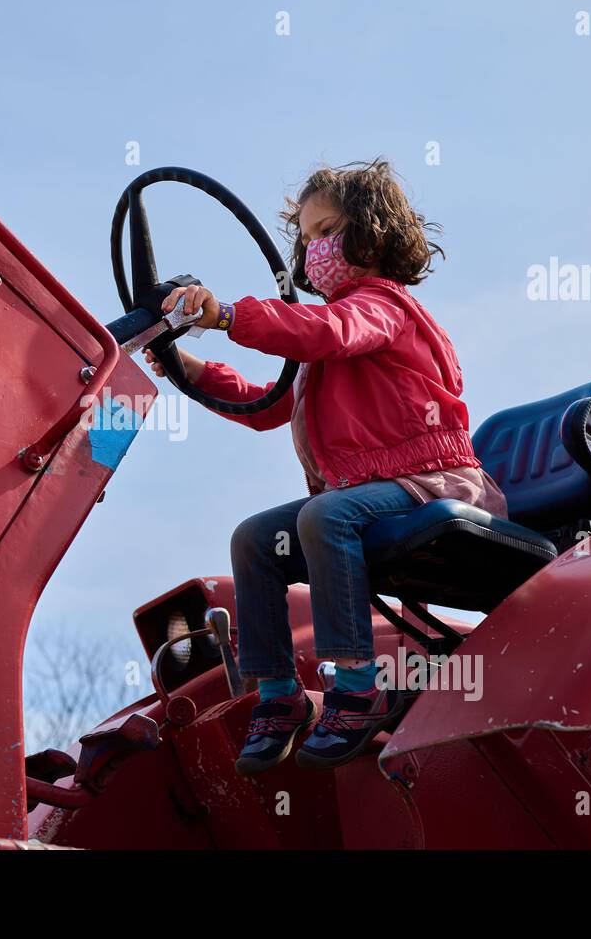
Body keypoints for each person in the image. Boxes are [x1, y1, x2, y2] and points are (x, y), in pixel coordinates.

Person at [144, 160, 507, 774]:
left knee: (325, 515)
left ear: (371, 231)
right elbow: (271, 406)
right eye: (308, 236)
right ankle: (280, 696)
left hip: (432, 482)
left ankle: (358, 688)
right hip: (369, 493)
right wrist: (190, 367)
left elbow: (331, 330)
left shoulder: (383, 309)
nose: (317, 248)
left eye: (330, 230)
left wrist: (229, 315)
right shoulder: (325, 350)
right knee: (255, 538)